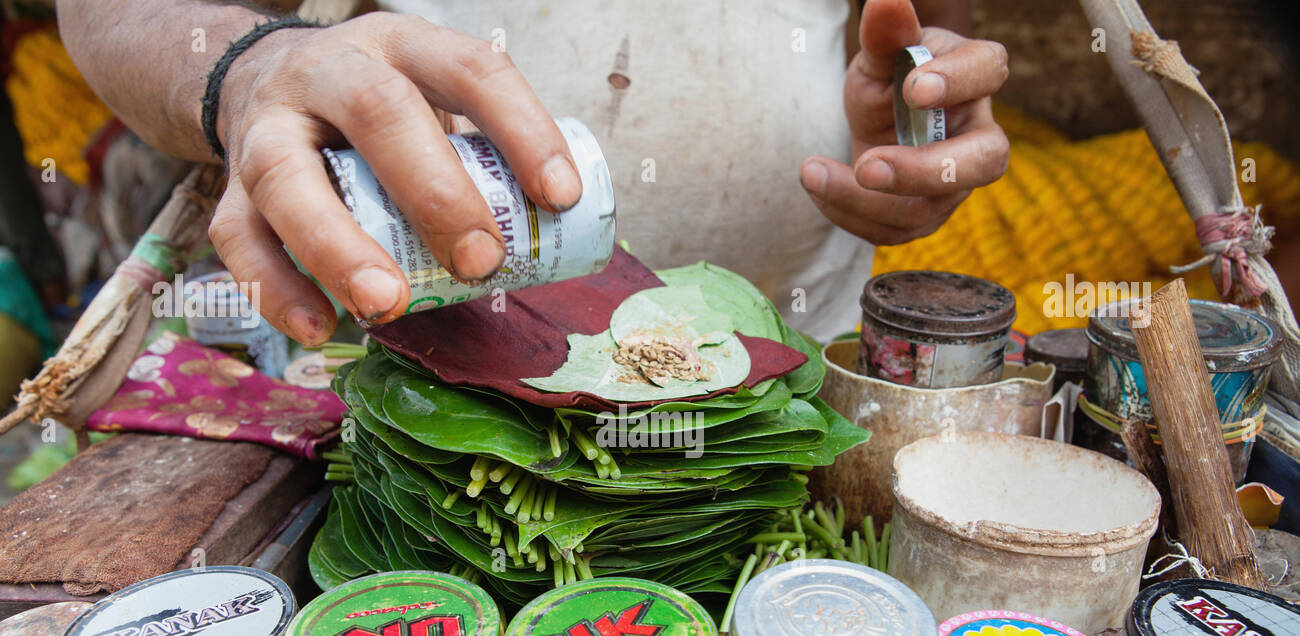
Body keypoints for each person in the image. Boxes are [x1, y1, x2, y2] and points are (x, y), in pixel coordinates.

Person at [56, 0, 1009, 346]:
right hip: (440, 395)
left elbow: (919, 37)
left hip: (791, 388)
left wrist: (910, 149)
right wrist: (246, 72)